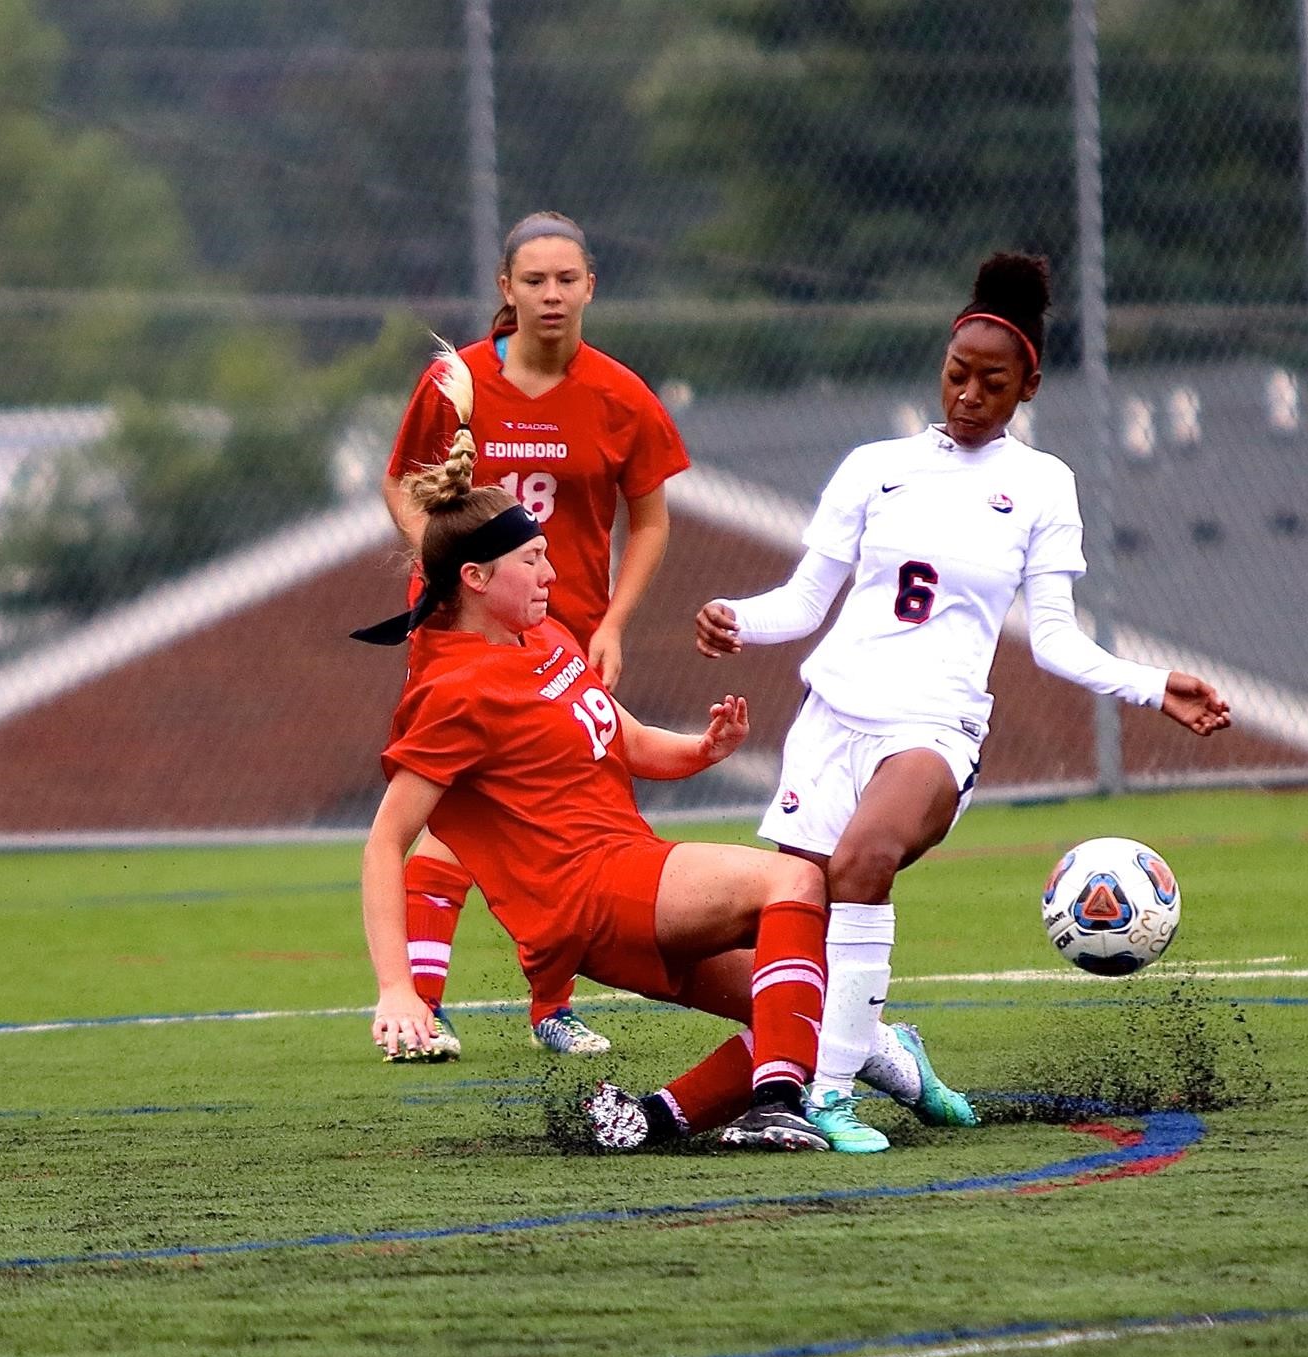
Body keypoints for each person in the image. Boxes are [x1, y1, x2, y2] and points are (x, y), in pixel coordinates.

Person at [694, 251, 1233, 1153]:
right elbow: (803, 599)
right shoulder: (875, 468)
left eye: (993, 381)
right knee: (798, 916)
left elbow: (1054, 637)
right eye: (957, 375)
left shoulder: (1043, 484)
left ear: (1029, 384)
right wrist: (734, 621)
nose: (969, 395)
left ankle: (825, 1099)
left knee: (863, 863)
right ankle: (890, 1058)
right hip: (830, 721)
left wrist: (1151, 684)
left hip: (934, 728)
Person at [354, 349, 829, 1151]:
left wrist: (702, 749)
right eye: (531, 559)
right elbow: (384, 844)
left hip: (625, 876)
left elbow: (623, 736)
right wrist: (398, 990)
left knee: (804, 1012)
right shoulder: (454, 686)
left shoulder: (542, 634)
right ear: (474, 577)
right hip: (594, 894)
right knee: (796, 878)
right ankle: (777, 1108)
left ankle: (649, 1119)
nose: (552, 569)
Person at [380, 211, 688, 1062]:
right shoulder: (458, 383)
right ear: (505, 291)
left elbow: (652, 522)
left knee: (575, 824)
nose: (550, 295)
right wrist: (438, 563)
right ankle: (422, 1005)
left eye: (566, 279)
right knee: (458, 806)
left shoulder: (622, 396)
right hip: (467, 639)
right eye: (533, 280)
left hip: (570, 640)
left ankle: (549, 1005)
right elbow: (402, 483)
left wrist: (615, 624)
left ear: (591, 285)